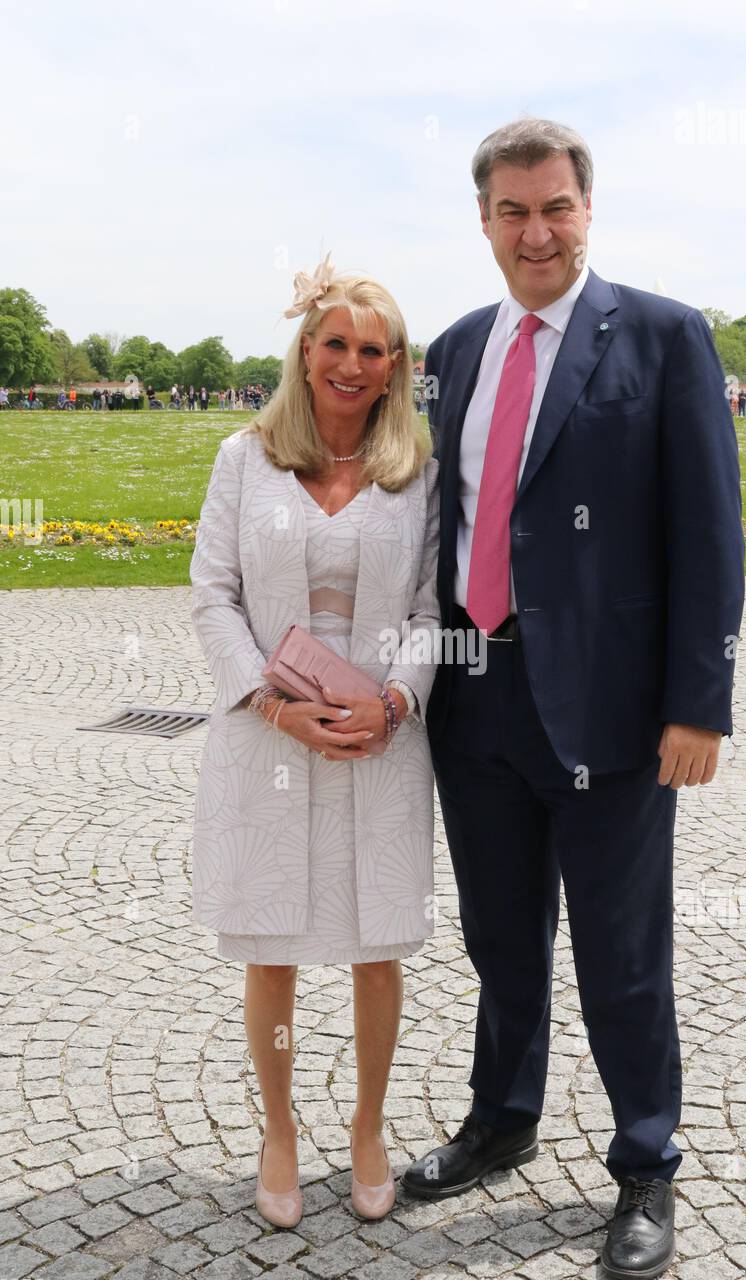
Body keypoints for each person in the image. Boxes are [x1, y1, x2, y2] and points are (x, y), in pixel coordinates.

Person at [402, 117, 745, 1280]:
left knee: (621, 951)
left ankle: (645, 1158)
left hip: (611, 712)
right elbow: (433, 527)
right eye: (511, 211)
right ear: (484, 221)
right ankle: (501, 1115)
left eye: (553, 207)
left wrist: (698, 704)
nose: (534, 230)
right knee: (500, 937)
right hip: (475, 702)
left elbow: (708, 533)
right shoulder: (450, 350)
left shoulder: (660, 337)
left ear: (585, 210)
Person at [189, 259, 440, 1228]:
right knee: (274, 951)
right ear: (304, 351)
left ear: (391, 368)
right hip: (269, 737)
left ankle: (368, 1123)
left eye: (369, 350)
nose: (349, 362)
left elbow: (429, 610)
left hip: (378, 740)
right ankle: (279, 1129)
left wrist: (396, 699)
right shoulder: (242, 458)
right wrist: (267, 699)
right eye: (333, 343)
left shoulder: (410, 474)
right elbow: (212, 593)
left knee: (377, 947)